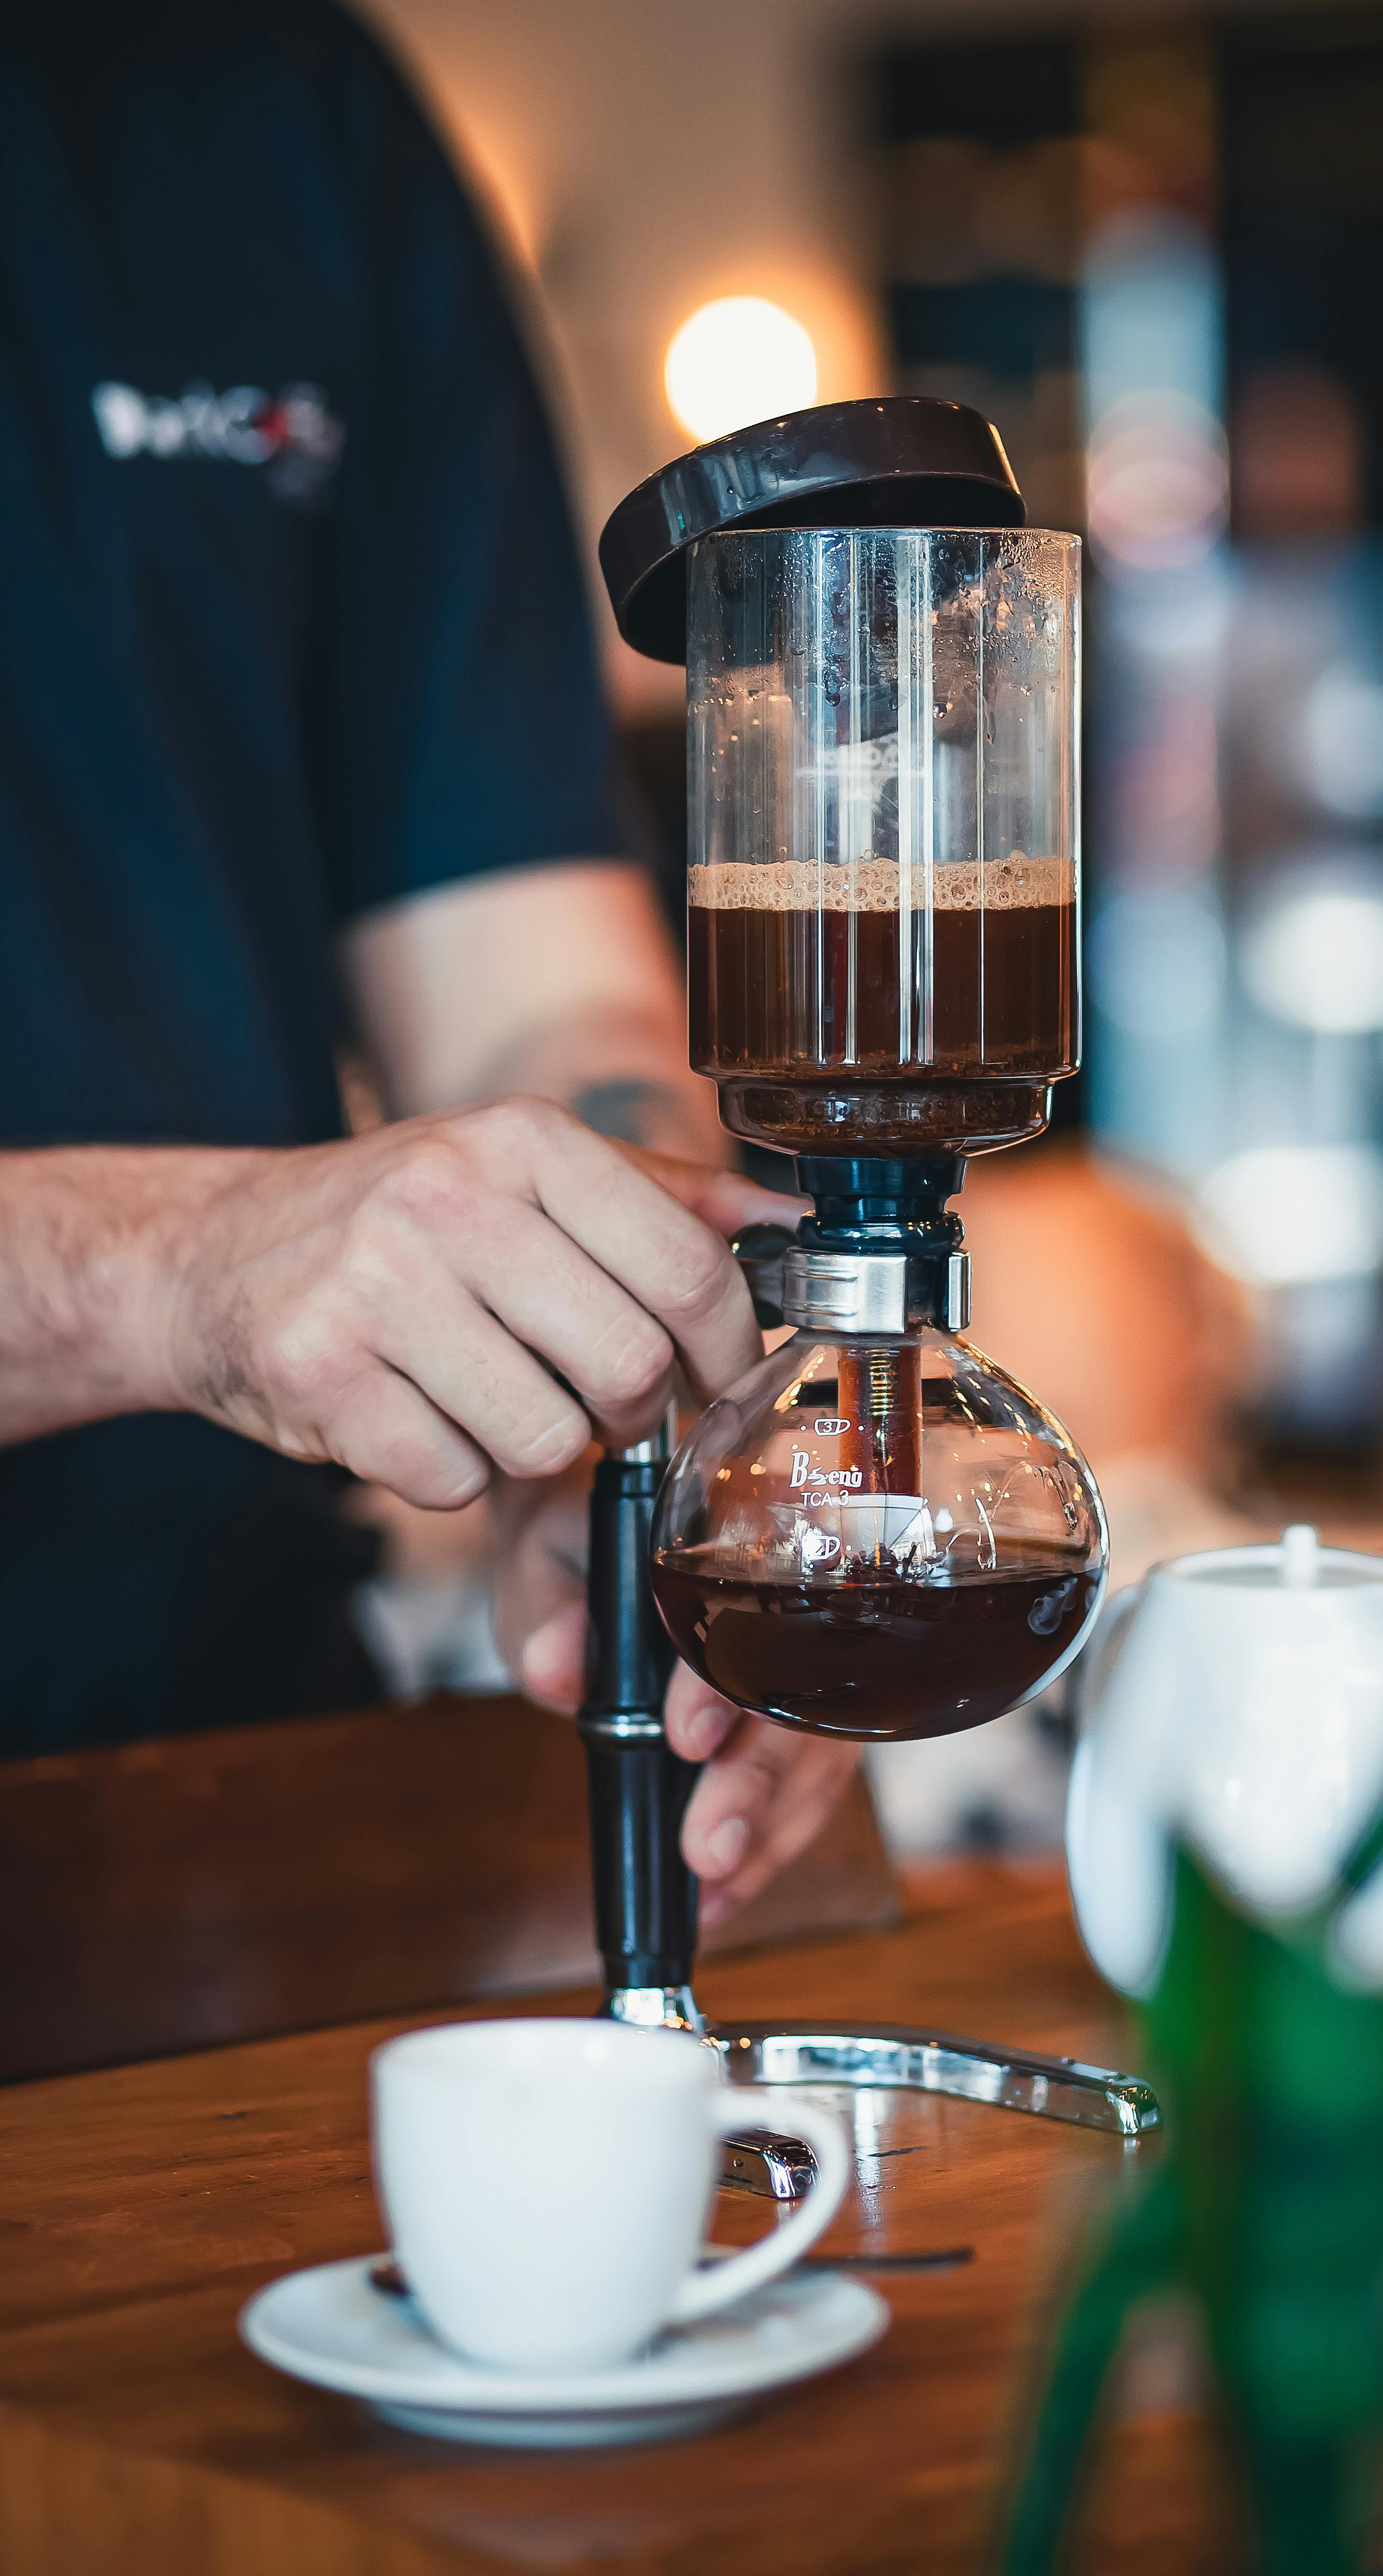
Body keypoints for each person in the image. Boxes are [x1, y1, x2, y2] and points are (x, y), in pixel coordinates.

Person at [0, 0, 860, 1923]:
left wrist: (652, 1399)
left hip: (226, 1779)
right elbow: (194, 1272)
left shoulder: (282, 106)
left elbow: (528, 983)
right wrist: (166, 1273)